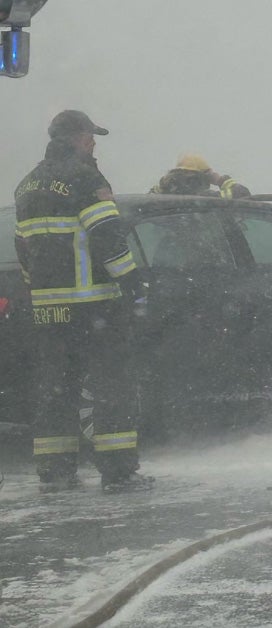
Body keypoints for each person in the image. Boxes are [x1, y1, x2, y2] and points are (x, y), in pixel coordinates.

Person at [14, 110, 154, 493]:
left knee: (57, 390)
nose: (93, 142)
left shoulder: (26, 186)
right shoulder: (86, 178)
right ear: (74, 138)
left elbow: (24, 248)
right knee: (112, 386)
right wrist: (133, 282)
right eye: (89, 136)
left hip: (48, 310)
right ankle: (118, 472)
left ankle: (56, 471)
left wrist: (38, 293)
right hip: (93, 307)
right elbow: (107, 237)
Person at [149, 154, 251, 199]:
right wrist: (221, 180)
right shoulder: (202, 199)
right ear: (200, 178)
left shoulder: (161, 195)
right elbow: (243, 194)